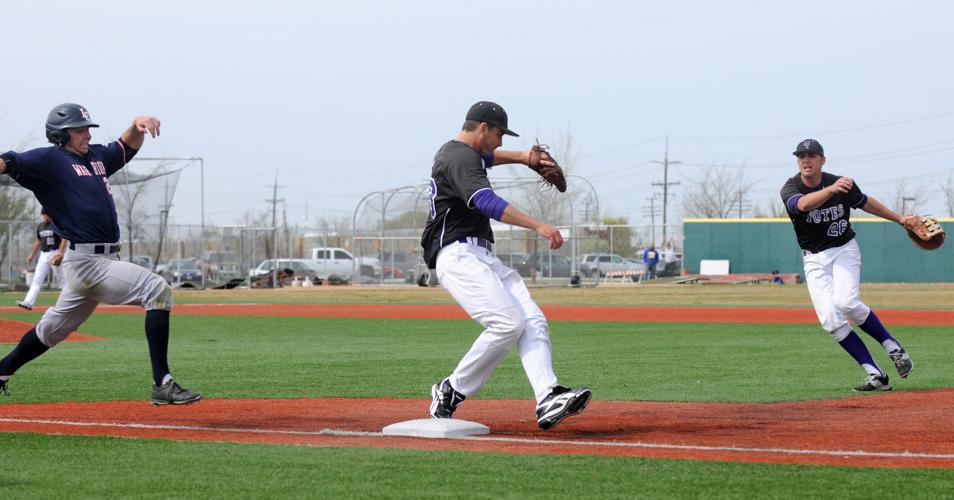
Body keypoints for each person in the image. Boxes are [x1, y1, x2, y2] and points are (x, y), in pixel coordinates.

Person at [0, 103, 201, 405]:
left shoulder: (96, 157)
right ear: (60, 134)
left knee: (51, 330)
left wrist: (137, 124)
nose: (86, 134)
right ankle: (162, 382)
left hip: (102, 260)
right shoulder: (49, 160)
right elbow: (9, 161)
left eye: (87, 128)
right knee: (157, 289)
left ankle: (2, 371)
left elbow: (125, 146)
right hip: (87, 262)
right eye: (79, 129)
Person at [421, 101, 591, 430]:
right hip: (457, 256)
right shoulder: (457, 156)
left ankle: (548, 396)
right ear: (483, 127)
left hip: (479, 255)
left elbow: (488, 157)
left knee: (532, 321)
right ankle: (452, 389)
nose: (501, 142)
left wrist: (524, 157)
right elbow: (484, 201)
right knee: (507, 323)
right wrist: (538, 225)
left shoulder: (463, 155)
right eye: (499, 134)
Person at [780, 138, 915, 392]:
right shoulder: (791, 186)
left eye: (811, 156)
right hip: (813, 259)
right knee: (831, 320)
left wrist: (900, 219)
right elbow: (802, 205)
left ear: (822, 160)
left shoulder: (841, 183)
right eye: (801, 157)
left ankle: (893, 346)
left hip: (843, 250)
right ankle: (877, 375)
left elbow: (865, 202)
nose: (805, 161)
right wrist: (832, 190)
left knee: (846, 302)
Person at [17, 207, 69, 310]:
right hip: (44, 254)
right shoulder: (40, 226)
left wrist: (60, 252)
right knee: (37, 279)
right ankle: (28, 302)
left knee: (62, 279)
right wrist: (31, 255)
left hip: (55, 253)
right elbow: (38, 241)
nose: (45, 216)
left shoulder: (56, 224)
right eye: (43, 214)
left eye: (46, 214)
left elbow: (64, 238)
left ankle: (68, 303)